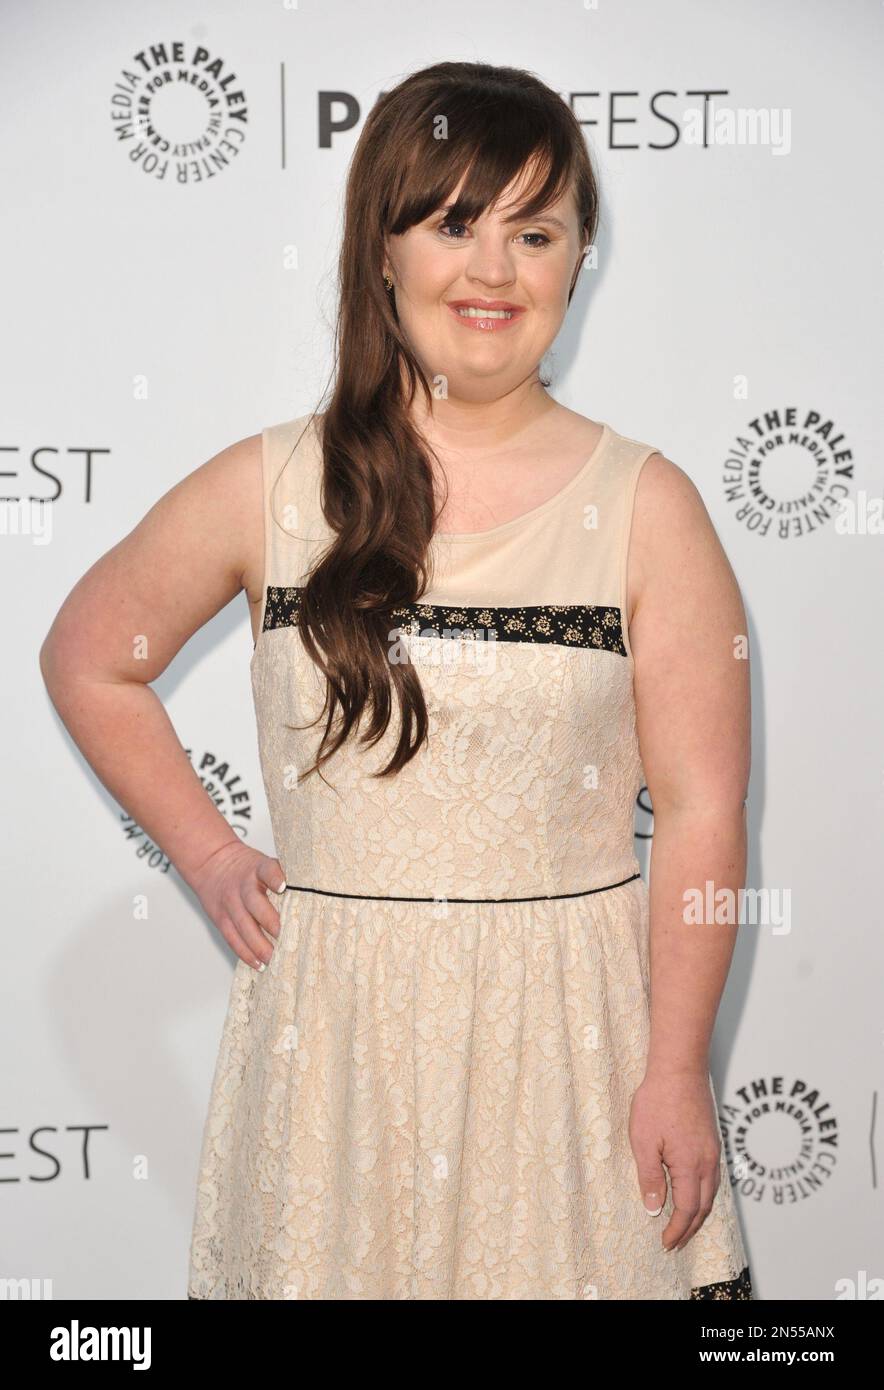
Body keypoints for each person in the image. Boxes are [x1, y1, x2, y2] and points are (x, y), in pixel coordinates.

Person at [39, 60, 753, 1301]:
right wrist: (208, 853)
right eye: (452, 222)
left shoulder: (648, 508)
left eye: (534, 231)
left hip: (573, 1061)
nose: (492, 270)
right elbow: (91, 657)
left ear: (576, 262)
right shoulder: (269, 486)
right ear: (381, 250)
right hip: (336, 1068)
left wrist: (677, 1064)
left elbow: (698, 810)